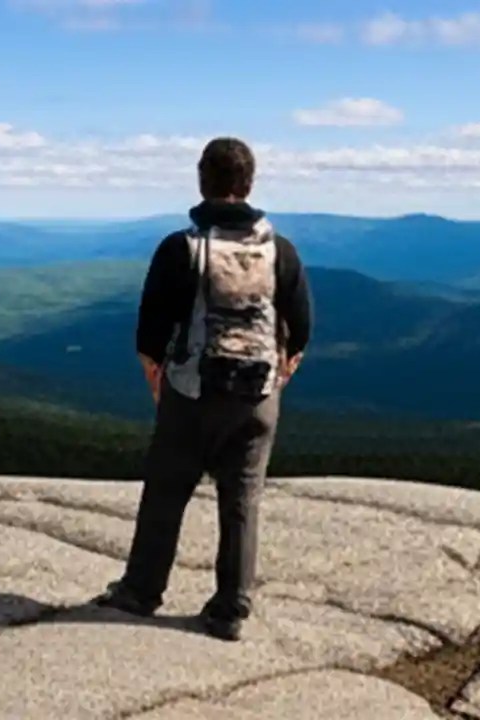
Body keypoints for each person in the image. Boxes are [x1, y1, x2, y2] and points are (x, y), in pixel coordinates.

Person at [91, 137, 314, 641]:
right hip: (257, 396)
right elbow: (300, 327)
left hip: (192, 391)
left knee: (167, 491)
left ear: (202, 180)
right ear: (249, 183)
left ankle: (141, 591)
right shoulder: (280, 251)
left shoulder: (181, 248)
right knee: (242, 499)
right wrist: (279, 375)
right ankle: (230, 610)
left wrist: (158, 378)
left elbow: (150, 328)